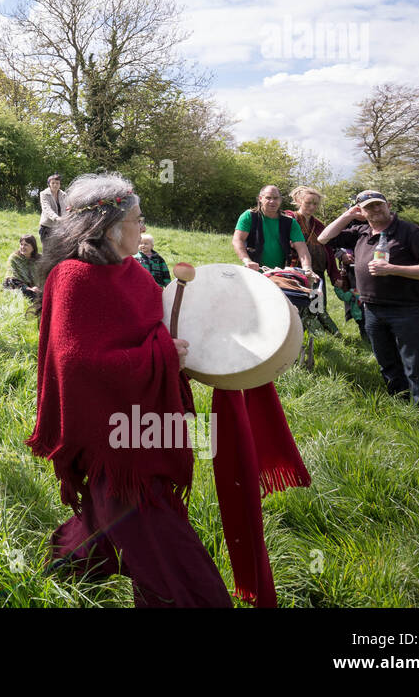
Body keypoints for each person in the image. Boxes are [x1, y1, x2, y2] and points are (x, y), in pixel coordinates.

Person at [26, 172, 310, 607]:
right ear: (106, 226)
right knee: (171, 559)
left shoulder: (133, 273)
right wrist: (162, 357)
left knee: (123, 523)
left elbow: (160, 326)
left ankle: (73, 560)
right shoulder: (73, 277)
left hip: (151, 425)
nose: (142, 228)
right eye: (137, 219)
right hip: (113, 439)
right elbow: (76, 363)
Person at [318, 190, 419, 403]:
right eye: (368, 207)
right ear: (361, 211)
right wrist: (349, 215)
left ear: (388, 205)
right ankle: (400, 400)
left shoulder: (411, 232)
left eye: (379, 205)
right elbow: (324, 238)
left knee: (415, 361)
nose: (375, 210)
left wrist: (393, 269)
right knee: (386, 361)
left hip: (407, 308)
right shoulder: (361, 231)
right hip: (372, 307)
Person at [232, 185, 311, 274]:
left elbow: (302, 248)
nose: (272, 201)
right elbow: (238, 240)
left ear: (280, 200)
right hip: (253, 272)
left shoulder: (290, 222)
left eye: (276, 198)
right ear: (260, 198)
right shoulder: (249, 216)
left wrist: (307, 268)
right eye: (268, 198)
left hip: (280, 273)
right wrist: (247, 260)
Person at [3, 234, 40, 299]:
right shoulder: (14, 258)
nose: (22, 247)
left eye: (26, 245)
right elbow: (12, 277)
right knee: (10, 281)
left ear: (33, 247)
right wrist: (28, 288)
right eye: (21, 244)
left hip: (37, 288)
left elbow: (44, 276)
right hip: (18, 287)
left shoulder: (39, 259)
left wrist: (38, 287)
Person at [39, 173, 63, 245]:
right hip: (47, 227)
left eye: (57, 183)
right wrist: (56, 218)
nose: (55, 185)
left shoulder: (64, 195)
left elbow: (67, 208)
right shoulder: (44, 194)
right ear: (49, 184)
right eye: (53, 183)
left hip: (60, 227)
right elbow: (46, 209)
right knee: (47, 250)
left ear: (60, 184)